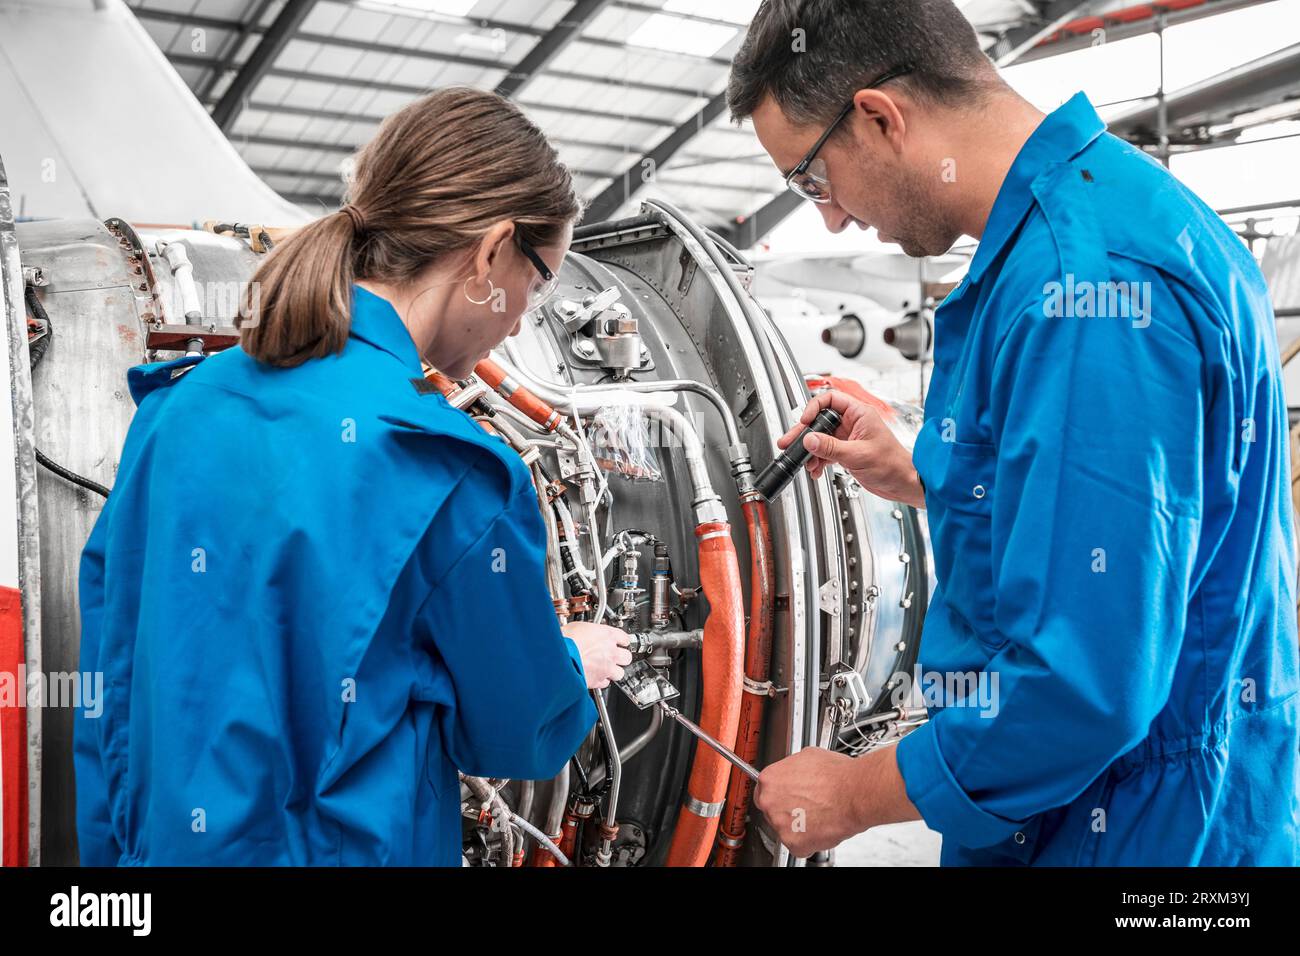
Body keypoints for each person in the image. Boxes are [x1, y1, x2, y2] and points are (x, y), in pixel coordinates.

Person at [732, 0, 1299, 864]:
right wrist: (931, 469)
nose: (832, 220)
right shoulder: (1106, 212)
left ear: (880, 118)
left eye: (813, 180)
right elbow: (1134, 514)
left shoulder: (1085, 289)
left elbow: (1079, 687)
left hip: (1132, 829)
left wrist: (857, 793)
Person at [73, 87, 631, 866]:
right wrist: (569, 659)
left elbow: (113, 680)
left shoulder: (179, 408)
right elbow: (517, 729)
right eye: (536, 286)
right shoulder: (455, 467)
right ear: (493, 250)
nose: (517, 320)